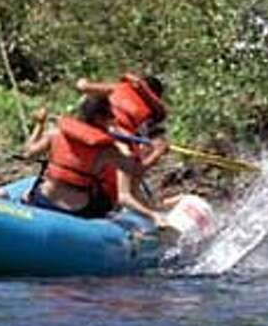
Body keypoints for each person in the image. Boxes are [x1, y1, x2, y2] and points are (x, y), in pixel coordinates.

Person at [21, 95, 169, 228]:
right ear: (99, 119)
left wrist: (39, 125)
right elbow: (136, 170)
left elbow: (28, 154)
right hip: (78, 210)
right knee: (108, 207)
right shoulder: (105, 149)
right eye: (108, 117)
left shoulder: (56, 132)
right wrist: (157, 153)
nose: (111, 121)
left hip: (43, 200)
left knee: (27, 194)